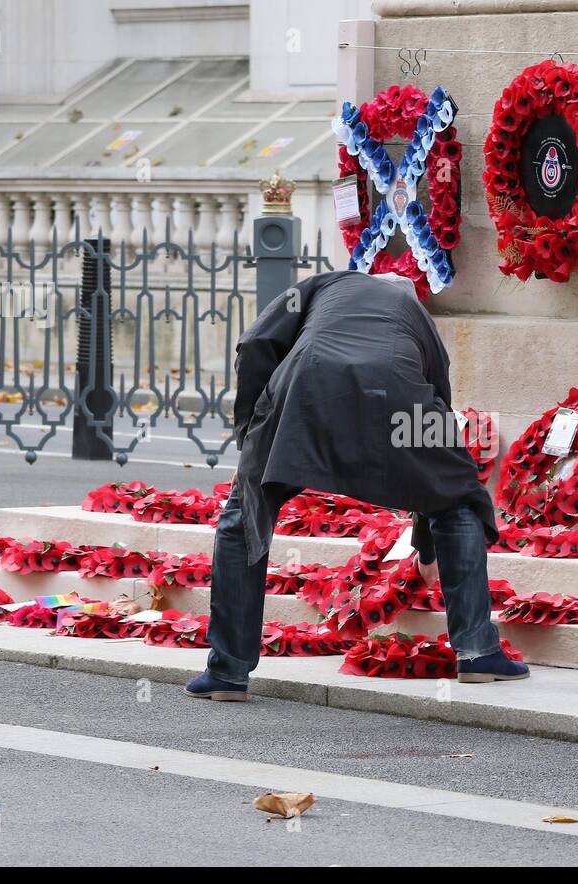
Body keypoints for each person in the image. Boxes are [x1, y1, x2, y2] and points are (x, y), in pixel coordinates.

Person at [184, 271, 529, 702]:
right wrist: (428, 539)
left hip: (306, 393)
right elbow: (439, 407)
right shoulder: (417, 316)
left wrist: (251, 440)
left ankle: (227, 673)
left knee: (243, 518)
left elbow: (256, 344)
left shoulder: (323, 285)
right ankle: (477, 652)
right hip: (399, 395)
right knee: (459, 498)